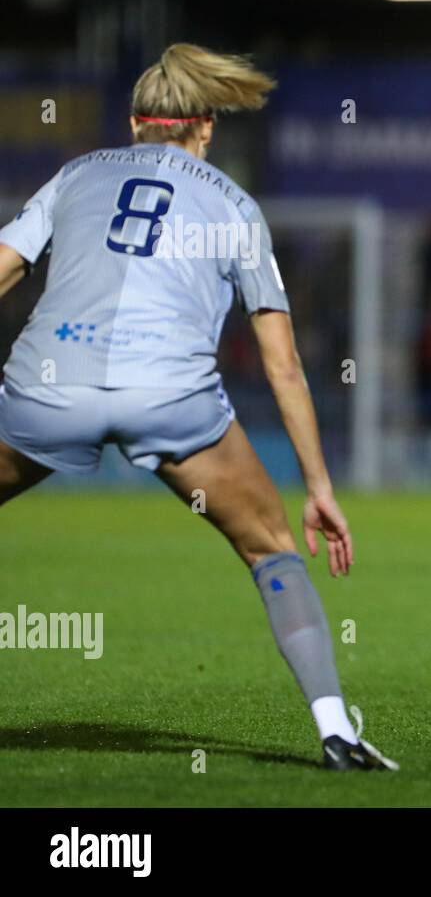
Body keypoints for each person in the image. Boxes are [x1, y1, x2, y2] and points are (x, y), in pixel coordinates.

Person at [0, 43, 396, 770]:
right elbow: (282, 364)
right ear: (205, 129)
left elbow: (4, 268)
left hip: (48, 386)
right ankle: (336, 730)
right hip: (171, 399)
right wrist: (318, 487)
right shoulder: (235, 205)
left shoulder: (77, 173)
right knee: (273, 548)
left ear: (132, 122)